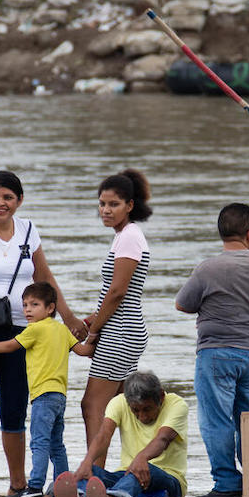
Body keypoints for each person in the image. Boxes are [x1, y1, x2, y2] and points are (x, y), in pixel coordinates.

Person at [0, 171, 86, 497]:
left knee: (14, 409)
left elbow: (45, 278)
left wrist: (68, 318)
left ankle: (17, 485)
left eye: (8, 198)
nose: (1, 203)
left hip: (23, 333)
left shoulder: (28, 230)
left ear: (19, 201)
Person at [175, 203, 249, 497]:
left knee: (216, 420)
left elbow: (182, 304)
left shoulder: (208, 268)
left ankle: (227, 483)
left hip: (216, 354)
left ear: (221, 233)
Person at [0, 282, 96, 497]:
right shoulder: (62, 330)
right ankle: (65, 486)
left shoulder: (34, 329)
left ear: (50, 308)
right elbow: (84, 351)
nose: (27, 310)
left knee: (39, 442)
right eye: (25, 305)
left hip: (43, 396)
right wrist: (95, 334)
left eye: (34, 305)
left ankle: (35, 487)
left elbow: (10, 346)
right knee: (56, 444)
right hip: (60, 396)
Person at [78, 169, 152, 447]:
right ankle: (128, 473)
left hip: (120, 333)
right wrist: (91, 319)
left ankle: (93, 477)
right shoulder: (123, 235)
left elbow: (118, 293)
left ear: (130, 205)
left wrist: (93, 334)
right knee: (127, 410)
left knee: (92, 406)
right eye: (102, 204)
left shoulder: (130, 236)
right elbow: (119, 295)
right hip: (122, 330)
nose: (105, 210)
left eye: (113, 204)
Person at [54, 371, 188, 497]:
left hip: (169, 480)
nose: (142, 416)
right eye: (136, 410)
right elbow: (104, 435)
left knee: (141, 470)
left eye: (147, 409)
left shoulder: (177, 405)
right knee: (93, 473)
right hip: (127, 475)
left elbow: (163, 439)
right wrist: (87, 462)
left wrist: (142, 458)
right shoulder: (119, 402)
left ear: (161, 397)